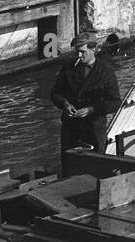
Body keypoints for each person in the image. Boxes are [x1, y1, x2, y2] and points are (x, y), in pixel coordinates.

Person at [50, 32, 121, 163]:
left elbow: (115, 102)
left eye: (83, 52)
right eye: (77, 52)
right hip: (71, 129)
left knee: (93, 167)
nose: (79, 55)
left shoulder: (106, 72)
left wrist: (91, 110)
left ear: (93, 49)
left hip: (93, 131)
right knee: (69, 165)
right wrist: (65, 103)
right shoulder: (68, 68)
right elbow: (55, 94)